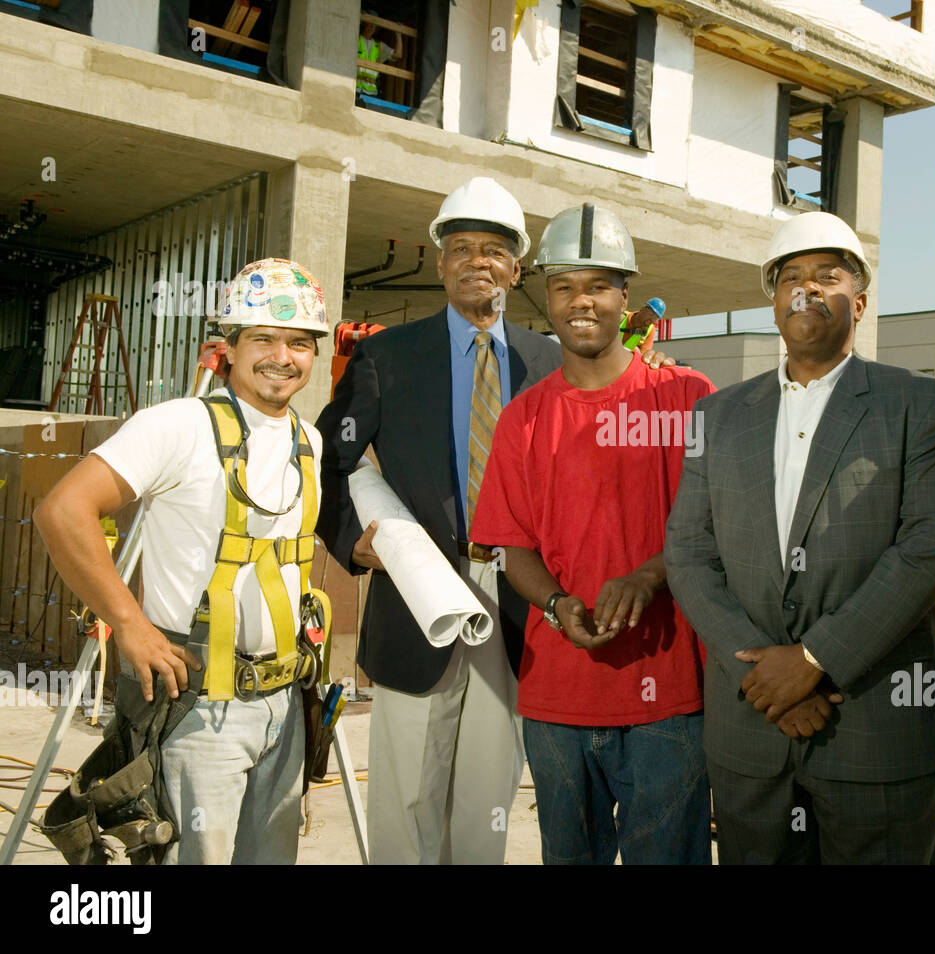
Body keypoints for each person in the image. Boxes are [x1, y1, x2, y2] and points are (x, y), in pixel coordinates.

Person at [315, 177, 673, 865]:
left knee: (488, 808)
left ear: (517, 267)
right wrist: (354, 549)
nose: (477, 261)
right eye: (460, 247)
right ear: (440, 260)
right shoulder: (387, 357)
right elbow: (327, 461)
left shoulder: (550, 361)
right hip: (417, 601)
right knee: (406, 808)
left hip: (520, 601)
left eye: (494, 250)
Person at [664, 210, 935, 864]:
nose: (805, 289)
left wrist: (812, 661)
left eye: (826, 276)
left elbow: (927, 550)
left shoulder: (919, 406)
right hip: (751, 732)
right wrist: (763, 671)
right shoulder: (716, 416)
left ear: (858, 302)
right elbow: (689, 553)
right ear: (774, 302)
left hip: (872, 732)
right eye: (790, 277)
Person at [35, 258, 332, 864]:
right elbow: (63, 511)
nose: (282, 356)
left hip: (284, 704)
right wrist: (130, 624)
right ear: (228, 348)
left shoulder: (310, 440)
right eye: (263, 339)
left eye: (299, 342)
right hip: (197, 705)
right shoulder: (177, 425)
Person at [470, 204, 715, 865]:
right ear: (545, 296)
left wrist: (647, 574)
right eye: (565, 286)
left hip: (667, 695)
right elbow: (510, 545)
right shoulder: (523, 419)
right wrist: (555, 606)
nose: (582, 302)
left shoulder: (687, 398)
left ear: (625, 297)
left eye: (598, 286)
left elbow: (715, 526)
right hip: (557, 699)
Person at [357, 11, 404, 97]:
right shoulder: (356, 39)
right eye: (370, 22)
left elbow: (398, 55)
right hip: (355, 87)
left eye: (374, 24)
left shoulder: (379, 46)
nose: (371, 27)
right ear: (364, 23)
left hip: (371, 92)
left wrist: (398, 35)